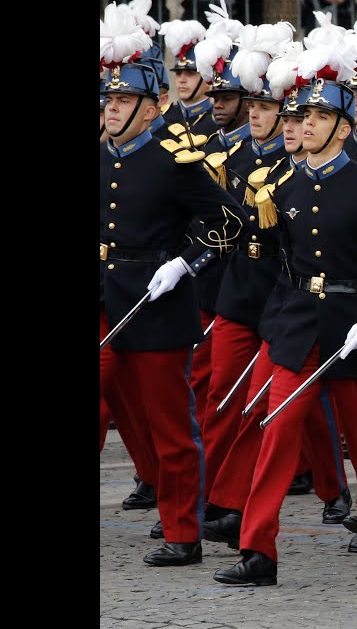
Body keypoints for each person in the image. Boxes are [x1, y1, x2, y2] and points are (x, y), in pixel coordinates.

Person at [213, 75, 357, 586]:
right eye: (302, 117)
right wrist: (278, 323)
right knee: (277, 430)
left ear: (344, 128)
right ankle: (258, 550)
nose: (306, 125)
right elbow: (284, 265)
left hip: (355, 328)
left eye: (321, 117)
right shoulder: (283, 184)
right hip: (300, 327)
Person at [101, 61, 248, 566]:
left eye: (123, 102)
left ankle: (184, 532)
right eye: (109, 101)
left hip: (154, 303)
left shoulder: (173, 160)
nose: (112, 109)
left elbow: (229, 220)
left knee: (168, 424)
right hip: (105, 298)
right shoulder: (102, 157)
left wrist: (186, 263)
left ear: (151, 110)